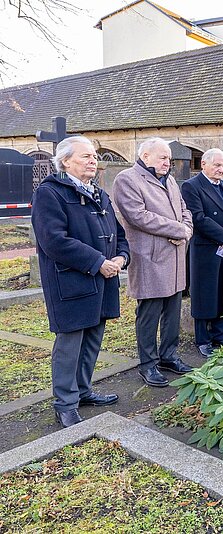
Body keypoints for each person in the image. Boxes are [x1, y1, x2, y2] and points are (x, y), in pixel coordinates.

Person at [32, 136, 129, 427]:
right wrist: (98, 262)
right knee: (70, 343)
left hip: (103, 279)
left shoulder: (99, 193)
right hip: (71, 281)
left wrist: (122, 257)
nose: (93, 161)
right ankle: (65, 402)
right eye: (86, 156)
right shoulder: (51, 193)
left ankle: (84, 390)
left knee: (92, 339)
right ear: (65, 161)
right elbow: (54, 241)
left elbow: (119, 234)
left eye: (94, 156)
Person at [113, 137, 194, 388]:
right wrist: (178, 229)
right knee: (149, 313)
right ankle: (148, 364)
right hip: (150, 257)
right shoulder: (127, 179)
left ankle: (168, 355)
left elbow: (184, 209)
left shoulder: (169, 179)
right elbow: (139, 217)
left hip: (176, 256)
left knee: (172, 310)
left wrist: (186, 229)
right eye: (162, 158)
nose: (167, 162)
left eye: (168, 158)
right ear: (145, 156)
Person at [180, 149, 223, 357]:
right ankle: (203, 339)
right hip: (207, 249)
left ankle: (219, 334)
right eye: (217, 165)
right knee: (205, 294)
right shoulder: (192, 186)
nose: (221, 169)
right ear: (204, 164)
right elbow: (198, 218)